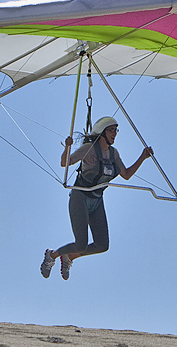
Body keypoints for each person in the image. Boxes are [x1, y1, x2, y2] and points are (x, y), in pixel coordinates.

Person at [40, 116, 153, 280]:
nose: (115, 134)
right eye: (111, 130)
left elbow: (126, 174)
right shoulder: (89, 148)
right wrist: (67, 147)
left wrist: (142, 157)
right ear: (102, 132)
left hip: (97, 200)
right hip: (80, 197)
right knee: (81, 244)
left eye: (116, 130)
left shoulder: (114, 154)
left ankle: (69, 257)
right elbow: (65, 163)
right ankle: (52, 255)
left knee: (102, 245)